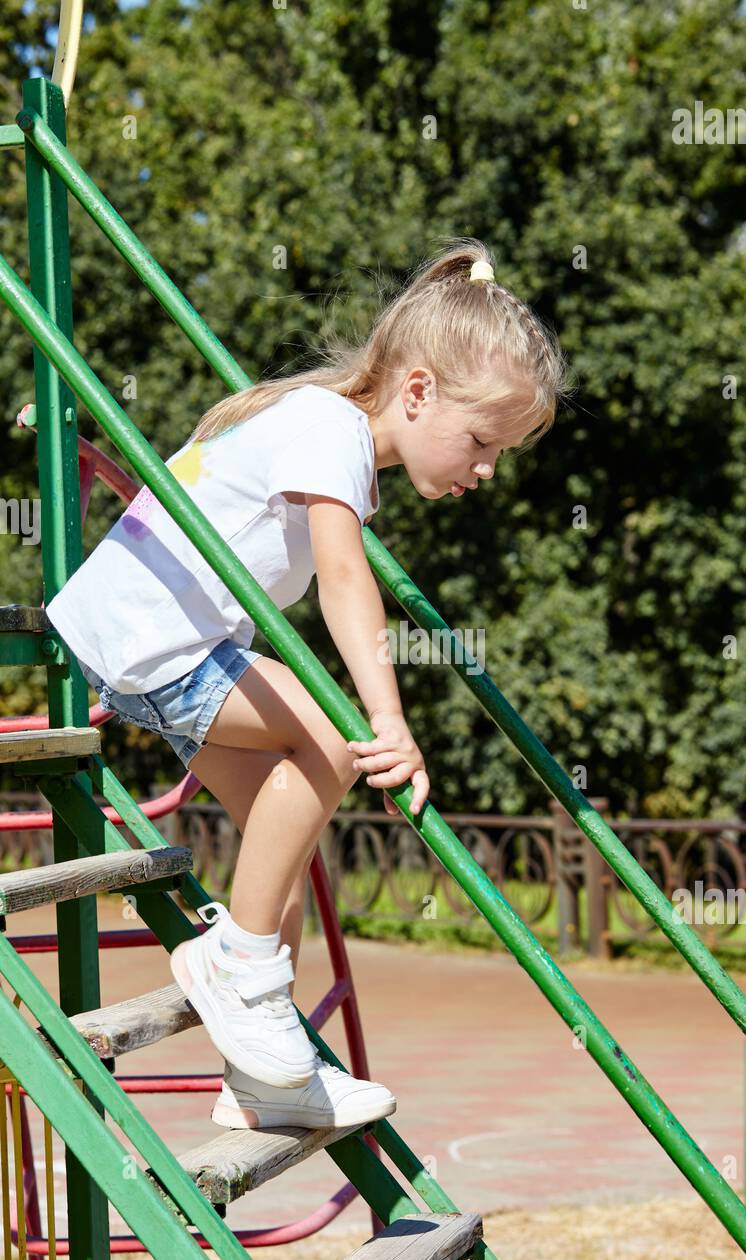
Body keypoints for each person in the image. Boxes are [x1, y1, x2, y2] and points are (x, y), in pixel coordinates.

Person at [45, 236, 569, 1130]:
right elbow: (343, 578)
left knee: (279, 845)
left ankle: (259, 1080)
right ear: (416, 390)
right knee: (329, 741)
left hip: (157, 638)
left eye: (503, 454)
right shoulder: (329, 431)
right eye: (482, 441)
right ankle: (233, 966)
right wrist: (384, 717)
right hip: (154, 638)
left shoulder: (317, 418)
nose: (485, 470)